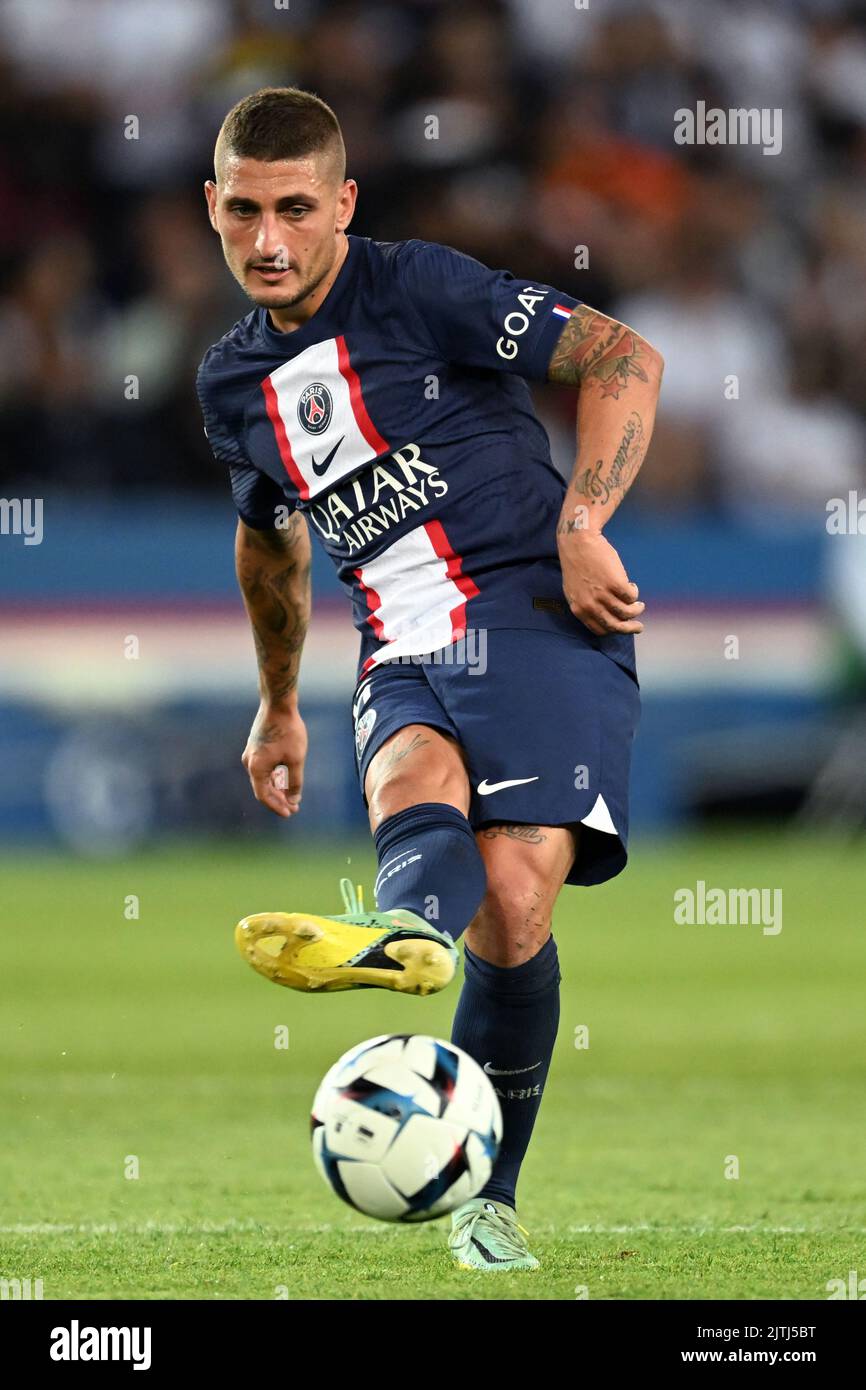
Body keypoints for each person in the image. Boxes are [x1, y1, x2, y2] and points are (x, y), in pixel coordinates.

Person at [196, 86, 663, 1271]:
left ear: (341, 203)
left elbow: (621, 355)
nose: (267, 239)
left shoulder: (420, 288)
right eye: (243, 209)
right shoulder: (228, 386)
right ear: (211, 206)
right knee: (412, 776)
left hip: (536, 607)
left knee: (512, 903)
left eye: (294, 209)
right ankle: (403, 930)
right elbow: (270, 542)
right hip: (397, 637)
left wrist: (583, 520)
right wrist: (274, 701)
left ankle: (487, 1195)